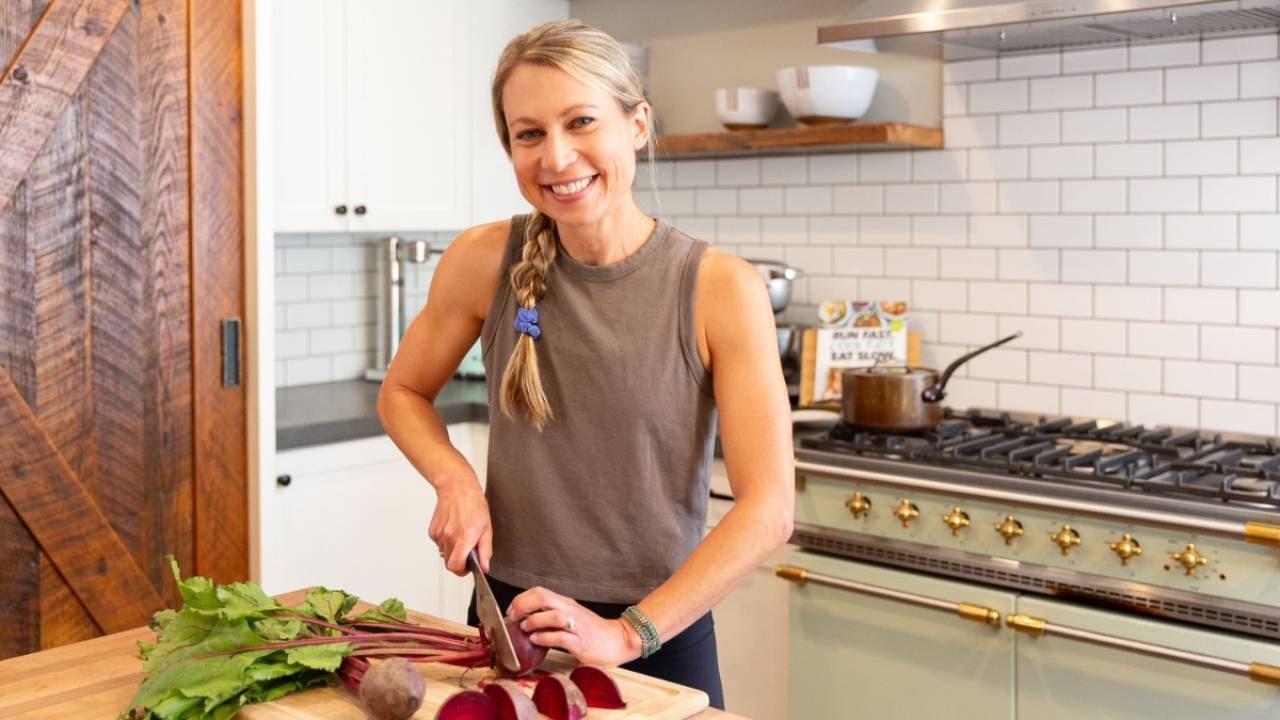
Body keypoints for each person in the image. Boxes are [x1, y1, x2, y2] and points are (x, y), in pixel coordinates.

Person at [376, 19, 793, 708]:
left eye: (581, 122)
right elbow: (404, 392)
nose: (557, 157)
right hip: (510, 626)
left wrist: (627, 635)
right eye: (529, 134)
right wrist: (454, 481)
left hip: (658, 634)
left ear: (637, 125)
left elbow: (770, 509)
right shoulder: (483, 262)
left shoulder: (721, 289)